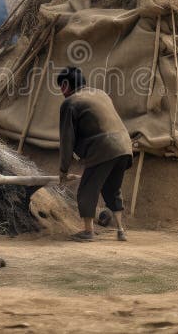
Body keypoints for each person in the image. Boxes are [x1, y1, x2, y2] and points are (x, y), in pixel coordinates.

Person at [57, 66, 133, 242]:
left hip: (103, 149)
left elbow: (66, 140)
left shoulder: (70, 103)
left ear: (66, 85)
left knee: (86, 190)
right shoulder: (101, 94)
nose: (61, 91)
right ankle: (121, 230)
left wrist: (63, 170)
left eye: (61, 86)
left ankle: (88, 232)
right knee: (112, 188)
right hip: (124, 146)